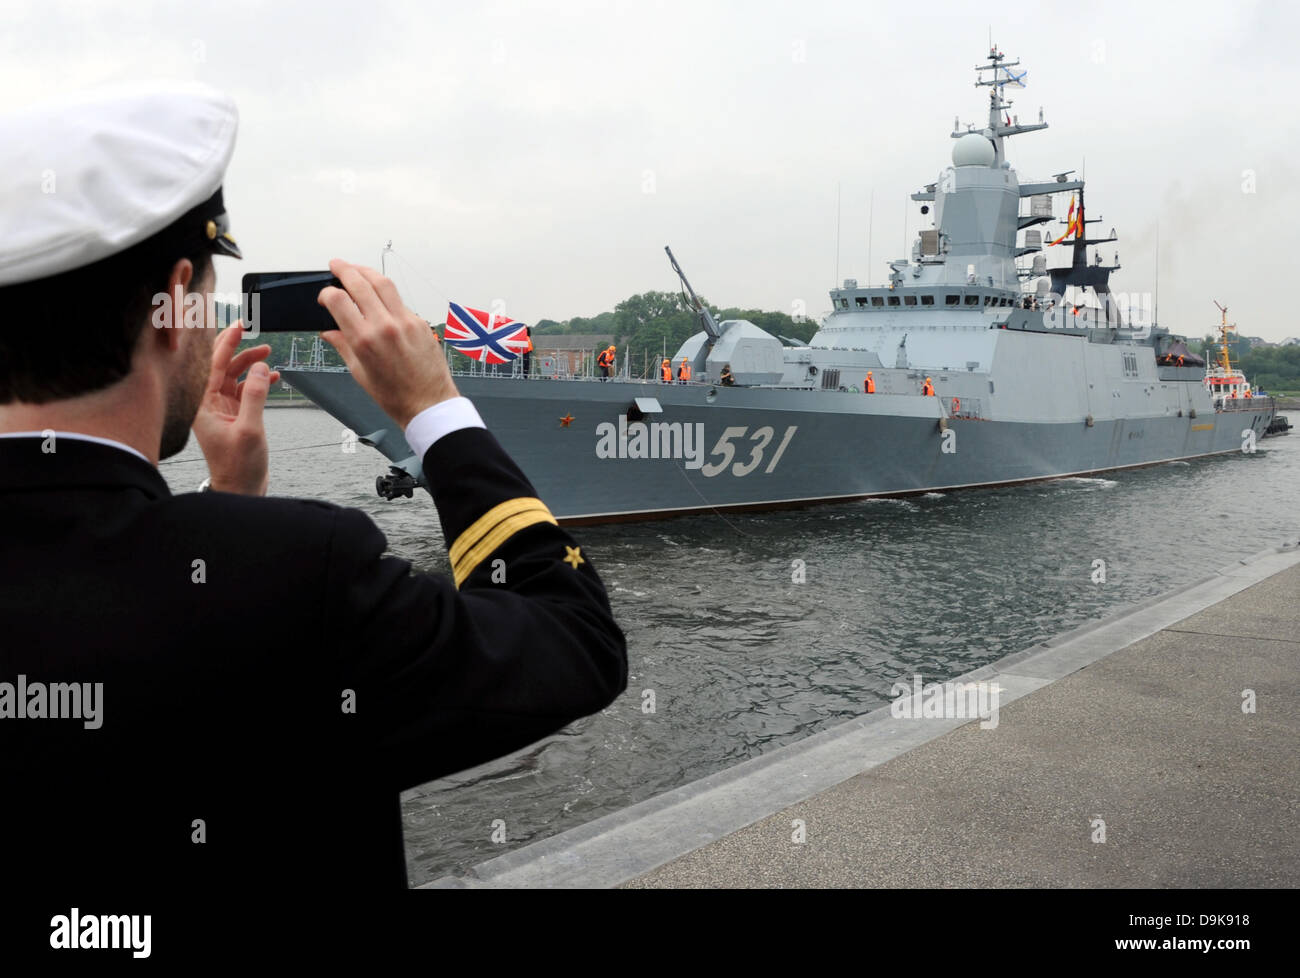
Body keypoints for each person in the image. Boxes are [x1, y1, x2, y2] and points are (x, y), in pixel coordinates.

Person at [0, 82, 626, 898]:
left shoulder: (262, 572)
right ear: (167, 310)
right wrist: (436, 411)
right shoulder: (307, 576)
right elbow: (575, 639)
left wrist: (225, 511)